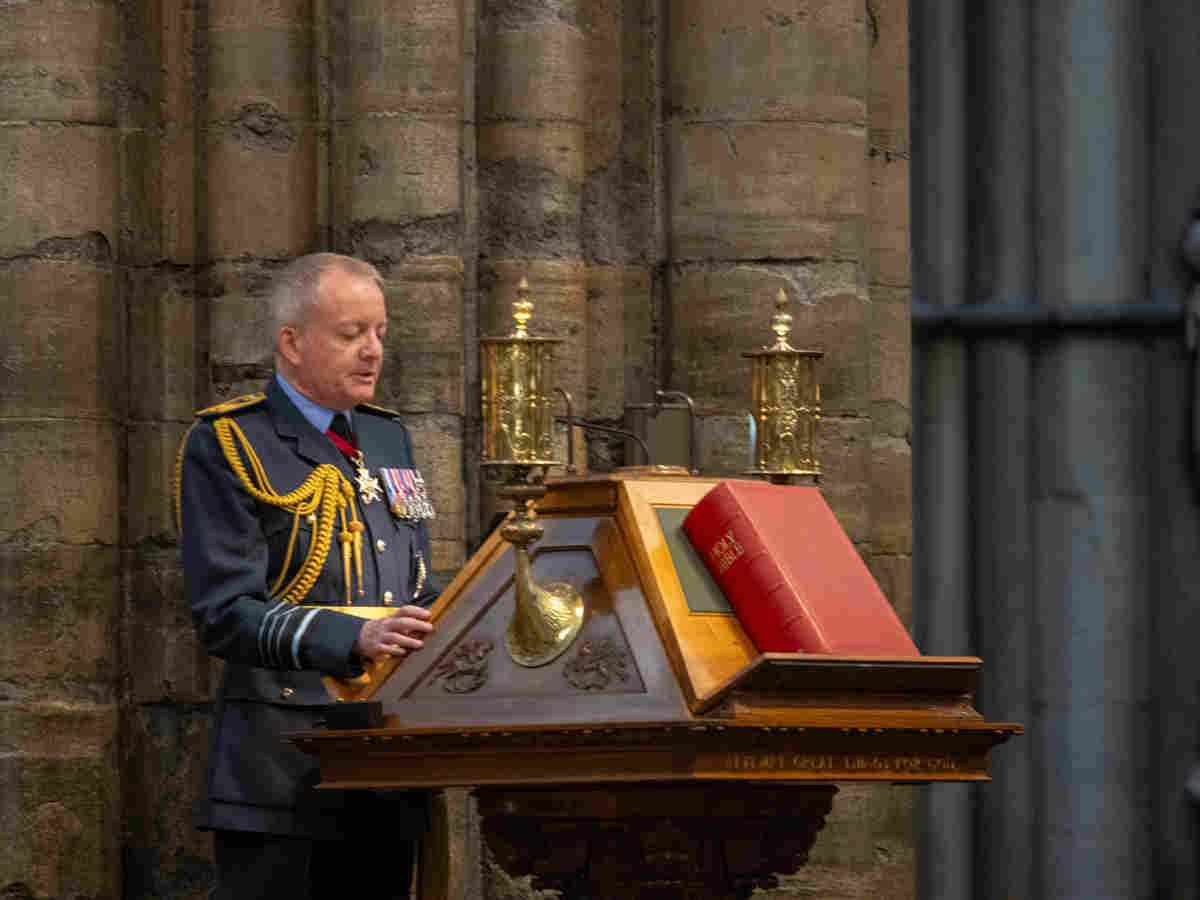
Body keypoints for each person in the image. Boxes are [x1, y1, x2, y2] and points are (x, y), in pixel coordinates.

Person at [176, 253, 440, 899]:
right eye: (350, 334)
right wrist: (348, 639)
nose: (372, 351)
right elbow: (224, 612)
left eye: (379, 332)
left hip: (385, 762)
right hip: (282, 767)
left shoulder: (387, 440)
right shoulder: (231, 441)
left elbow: (417, 584)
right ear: (291, 342)